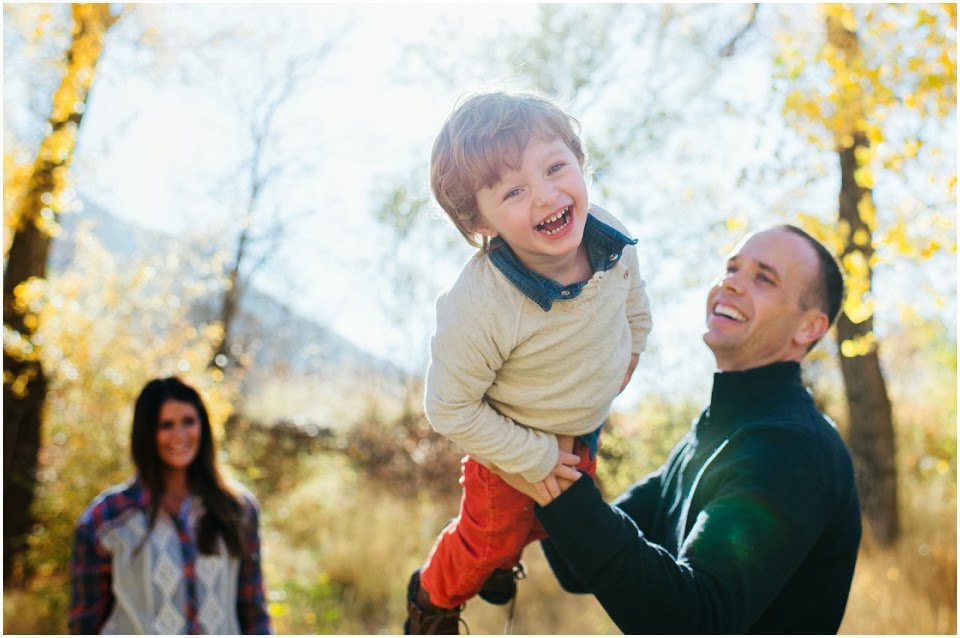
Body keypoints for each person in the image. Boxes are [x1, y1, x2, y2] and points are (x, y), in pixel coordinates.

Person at [482, 224, 863, 633]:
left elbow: (696, 620)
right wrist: (541, 426)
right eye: (731, 267)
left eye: (763, 278)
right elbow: (582, 563)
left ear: (808, 328)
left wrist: (548, 473)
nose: (731, 283)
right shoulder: (715, 432)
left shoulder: (789, 447)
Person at [403, 88, 653, 634]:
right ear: (481, 221)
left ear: (580, 162)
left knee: (549, 520)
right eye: (513, 191)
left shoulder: (610, 236)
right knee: (488, 537)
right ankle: (430, 600)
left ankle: (503, 562)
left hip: (581, 425)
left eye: (555, 167)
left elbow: (633, 296)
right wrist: (534, 456)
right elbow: (449, 408)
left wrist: (632, 346)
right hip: (510, 445)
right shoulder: (480, 303)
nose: (545, 195)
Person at [68, 377, 272, 634]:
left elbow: (253, 612)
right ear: (146, 432)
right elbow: (84, 625)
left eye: (189, 421)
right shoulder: (105, 520)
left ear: (202, 425)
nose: (180, 435)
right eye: (166, 425)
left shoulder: (238, 510)